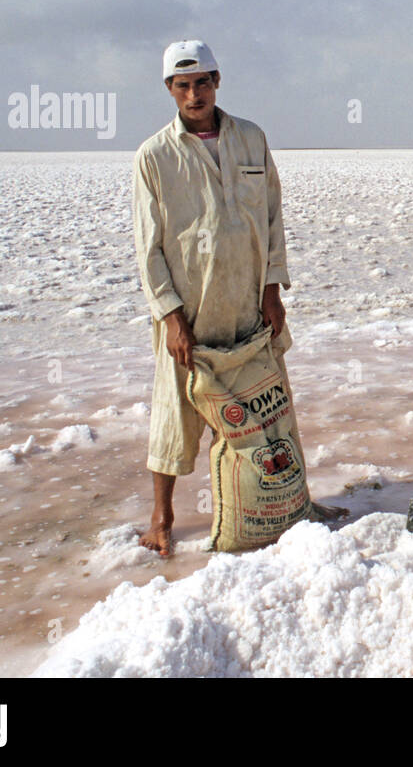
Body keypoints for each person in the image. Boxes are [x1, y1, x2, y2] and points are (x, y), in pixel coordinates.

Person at [132, 39, 327, 557]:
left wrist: (272, 288)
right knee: (176, 410)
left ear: (217, 82)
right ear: (169, 90)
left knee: (270, 404)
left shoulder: (250, 138)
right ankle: (162, 516)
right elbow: (148, 247)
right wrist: (171, 317)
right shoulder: (154, 156)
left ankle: (294, 501)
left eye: (202, 82)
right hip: (191, 312)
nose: (194, 94)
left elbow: (272, 215)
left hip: (250, 303)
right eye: (182, 85)